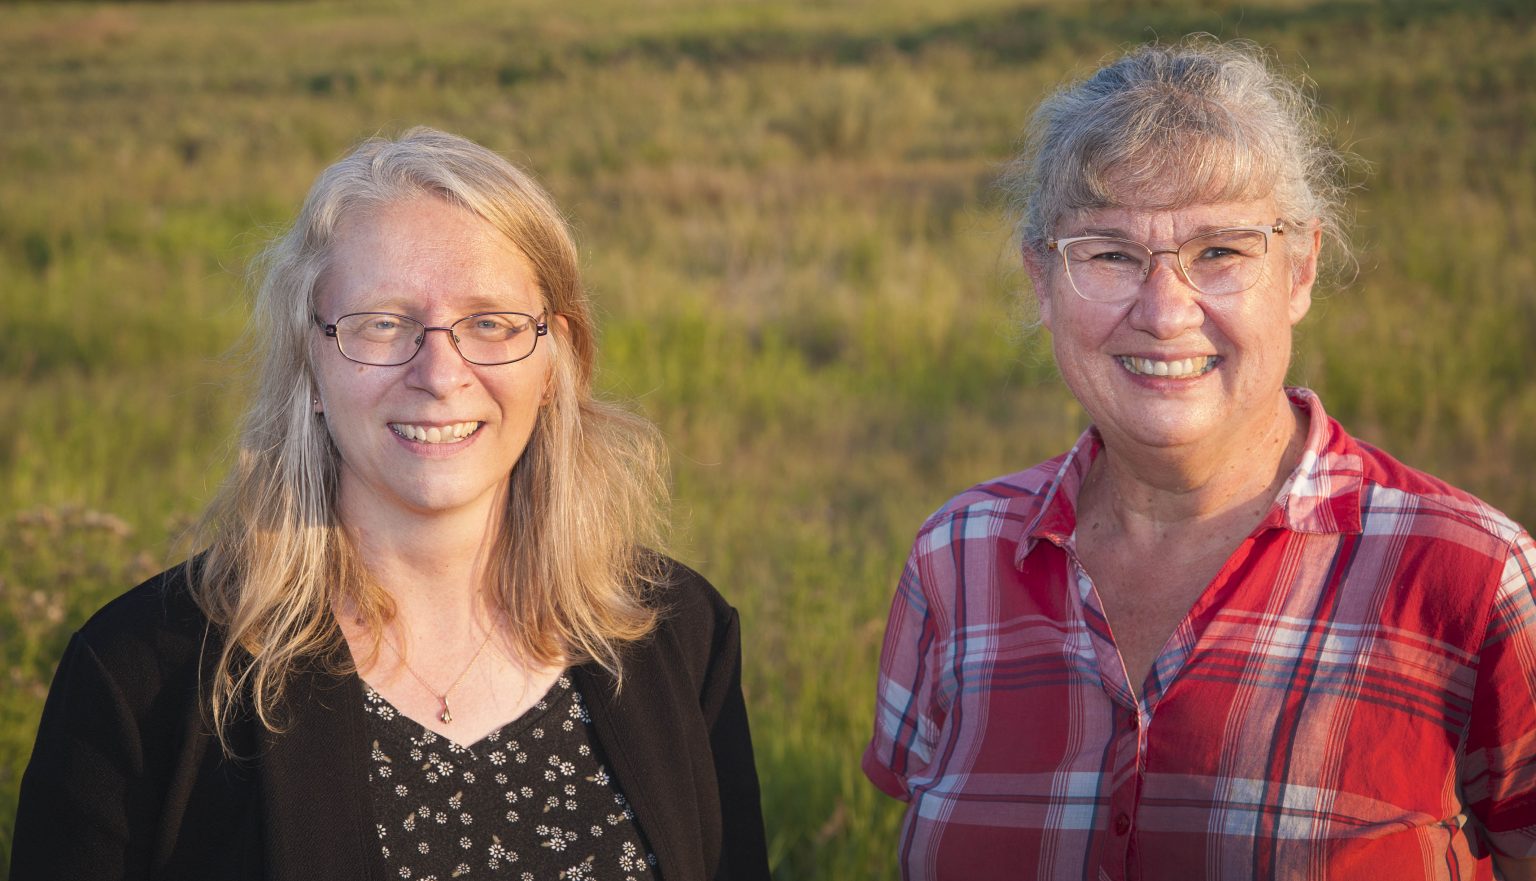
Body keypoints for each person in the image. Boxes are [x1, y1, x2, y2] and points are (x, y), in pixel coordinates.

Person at [12, 127, 770, 881]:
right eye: (383, 323)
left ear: (555, 359)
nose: (440, 373)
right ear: (311, 363)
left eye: (490, 323)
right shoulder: (140, 677)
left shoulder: (682, 633)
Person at [864, 39, 1536, 881]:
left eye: (1219, 251)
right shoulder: (954, 559)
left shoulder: (1471, 575)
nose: (1165, 310)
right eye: (1110, 253)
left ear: (1300, 269)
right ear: (1042, 279)